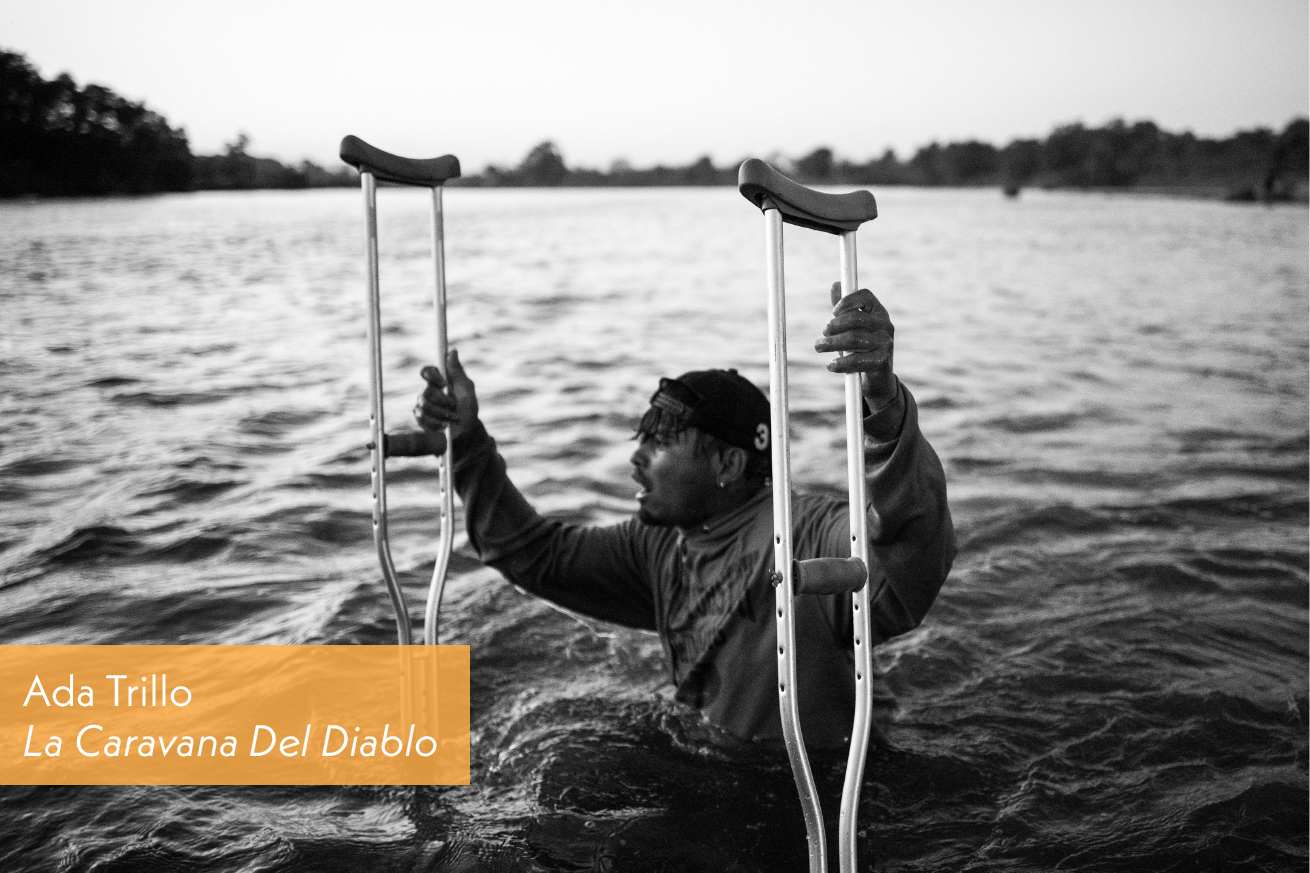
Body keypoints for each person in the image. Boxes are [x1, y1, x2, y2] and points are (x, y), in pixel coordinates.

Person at [411, 284, 955, 748]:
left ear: (728, 463)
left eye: (661, 442)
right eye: (640, 438)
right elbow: (533, 554)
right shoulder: (660, 543)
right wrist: (468, 443)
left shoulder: (805, 532)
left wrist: (884, 405)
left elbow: (909, 545)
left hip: (817, 788)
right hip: (706, 763)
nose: (635, 459)